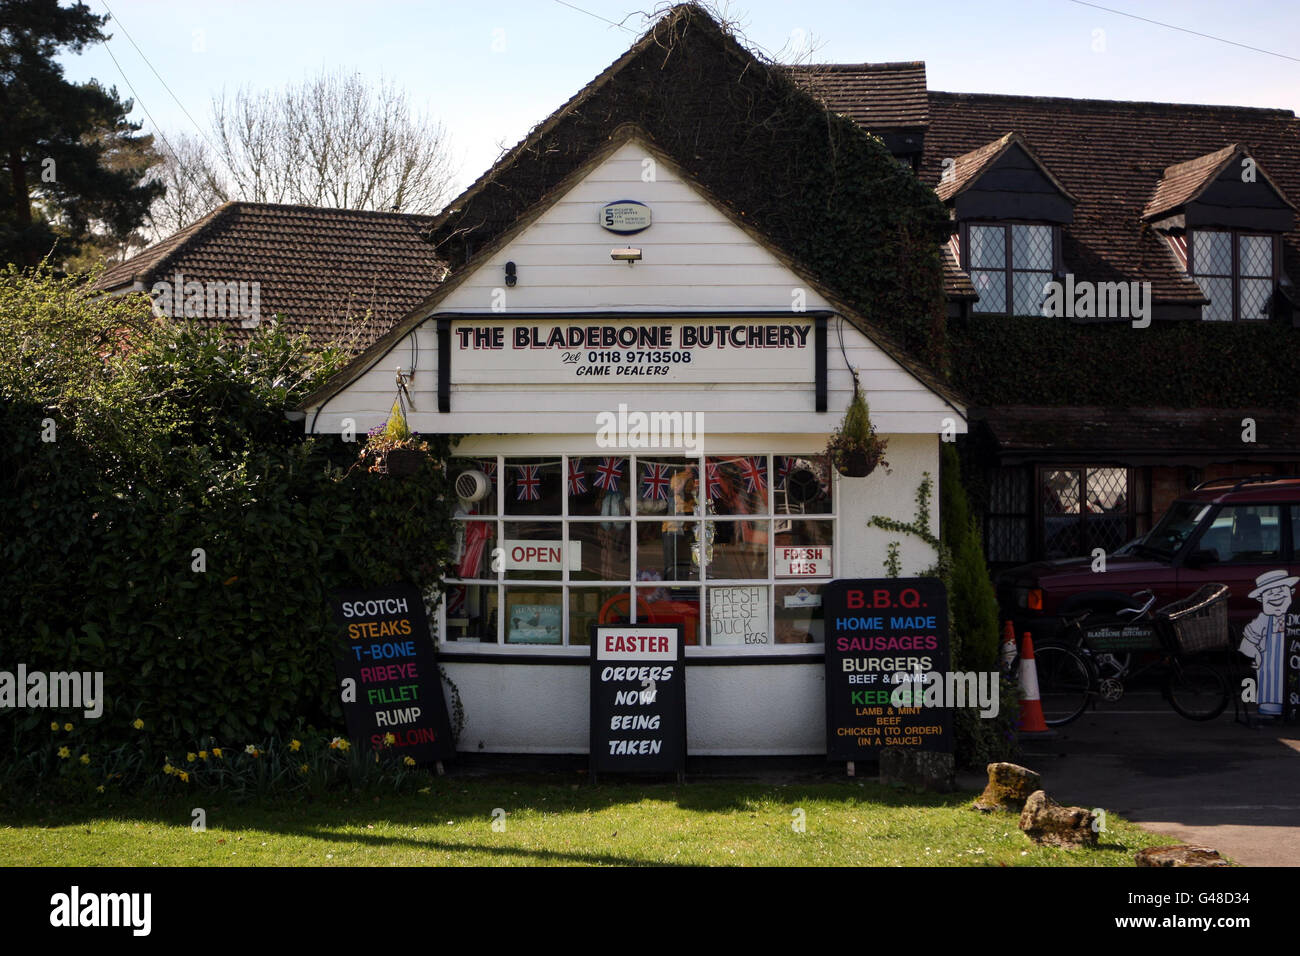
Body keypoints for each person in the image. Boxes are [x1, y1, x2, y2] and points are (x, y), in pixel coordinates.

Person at [1239, 569, 1296, 717]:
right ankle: (1271, 709)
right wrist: (1255, 653)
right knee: (1271, 695)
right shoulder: (1263, 620)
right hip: (1269, 676)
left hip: (1293, 668)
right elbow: (1246, 644)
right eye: (1269, 592)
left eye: (1281, 590)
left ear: (1292, 592)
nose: (1276, 595)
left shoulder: (1296, 618)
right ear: (1260, 599)